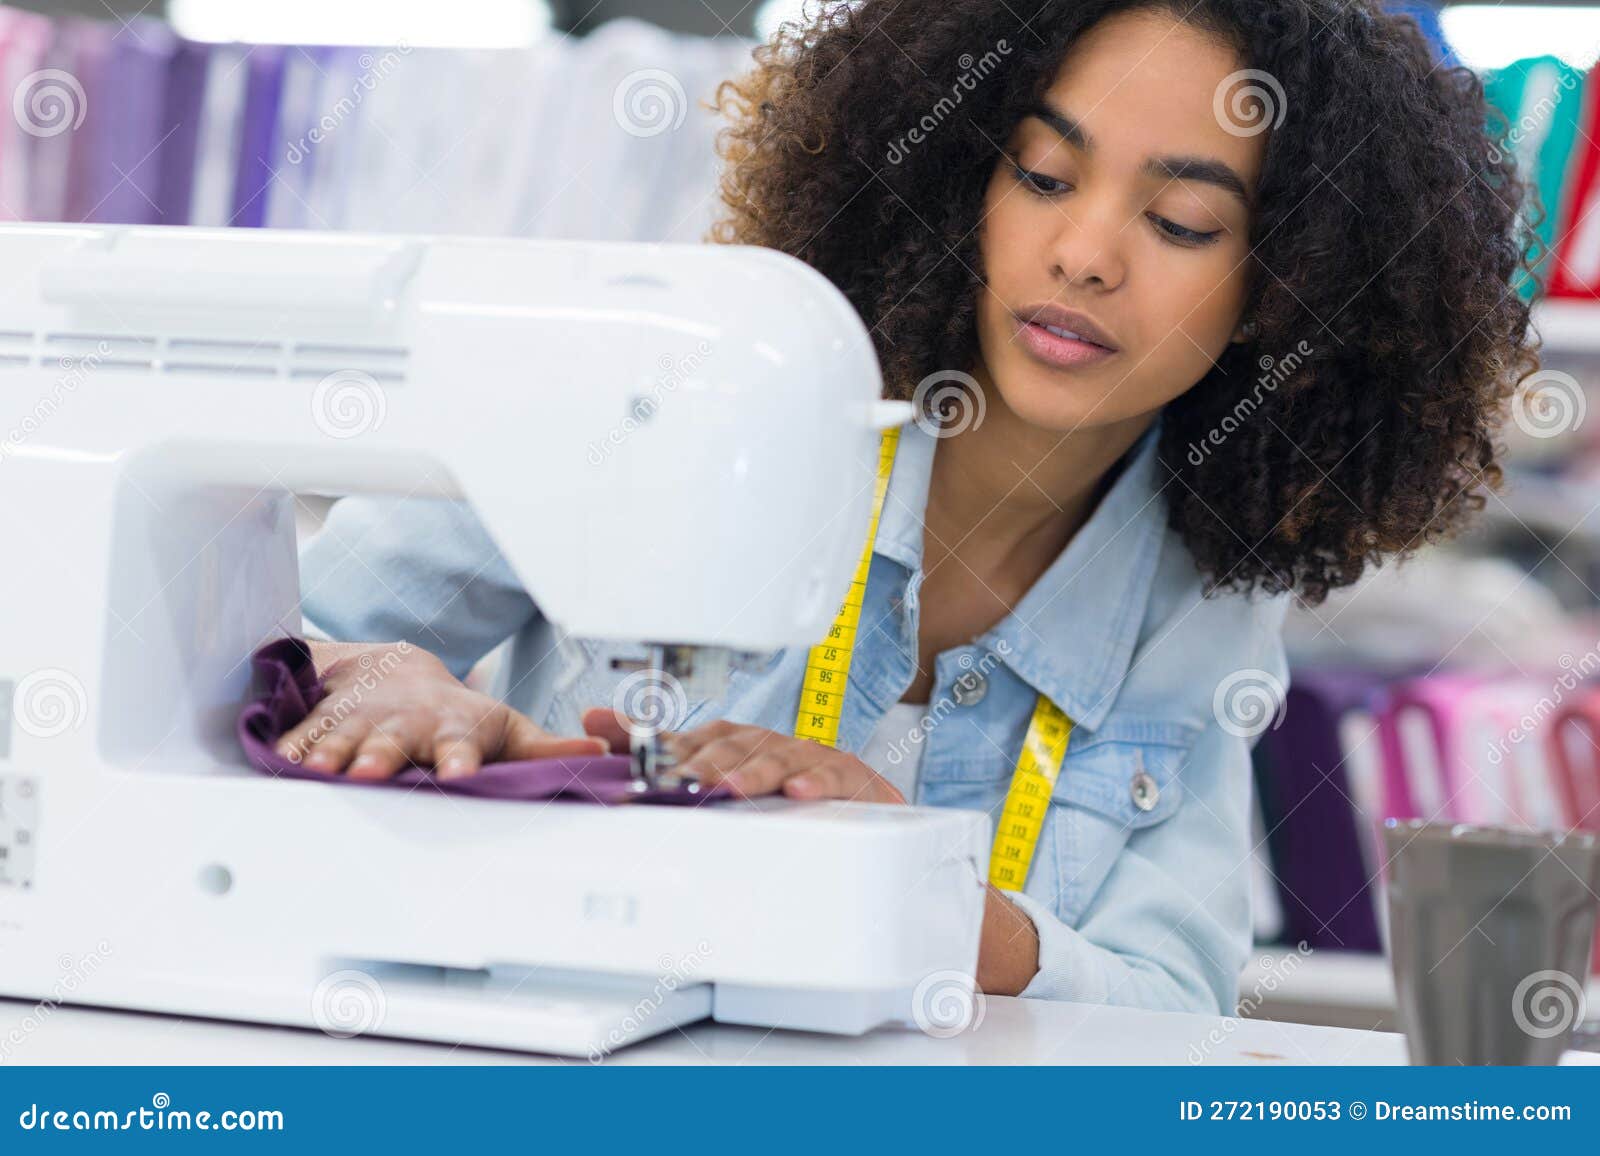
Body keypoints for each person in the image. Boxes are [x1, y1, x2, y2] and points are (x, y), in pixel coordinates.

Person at [286, 0, 1539, 1012]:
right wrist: (375, 670)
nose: (1088, 253)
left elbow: (1171, 997)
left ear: (1284, 285)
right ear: (955, 180)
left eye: (1179, 219)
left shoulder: (1197, 600)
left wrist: (925, 886)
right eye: (1042, 176)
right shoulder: (675, 399)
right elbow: (266, 641)